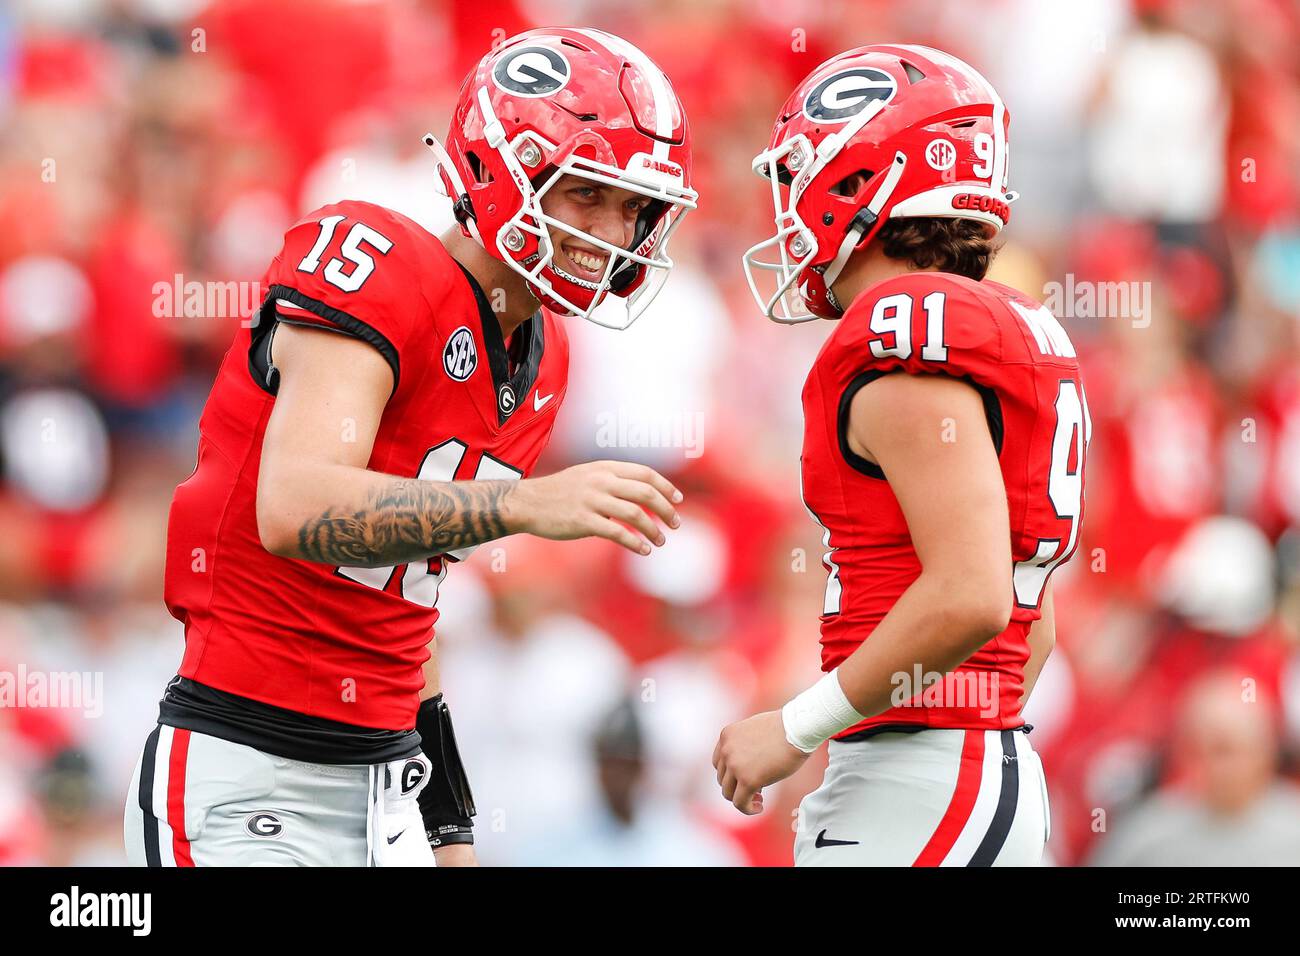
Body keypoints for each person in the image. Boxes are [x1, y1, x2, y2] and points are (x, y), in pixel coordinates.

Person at [123, 27, 697, 867]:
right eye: (587, 193)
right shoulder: (377, 260)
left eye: (634, 205)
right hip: (252, 767)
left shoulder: (546, 357)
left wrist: (450, 828)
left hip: (389, 782)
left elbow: (408, 614)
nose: (614, 228)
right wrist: (522, 505)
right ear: (503, 170)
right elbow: (296, 507)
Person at [715, 44, 1089, 866]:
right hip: (968, 766)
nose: (786, 207)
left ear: (859, 180)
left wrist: (796, 726)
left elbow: (972, 595)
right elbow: (1033, 625)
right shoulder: (993, 321)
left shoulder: (901, 331)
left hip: (926, 782)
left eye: (799, 177)